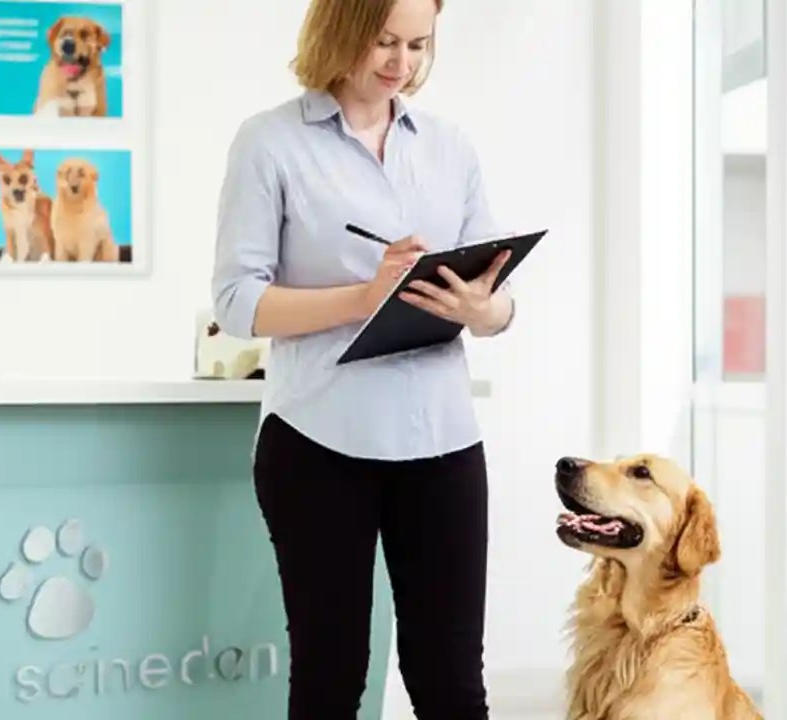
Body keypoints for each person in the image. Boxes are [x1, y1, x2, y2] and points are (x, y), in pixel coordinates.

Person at [210, 0, 515, 718]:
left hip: (443, 441)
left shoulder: (450, 147)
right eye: (383, 41)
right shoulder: (270, 143)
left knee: (450, 681)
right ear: (339, 29)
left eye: (418, 45)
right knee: (331, 673)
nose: (401, 64)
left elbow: (497, 299)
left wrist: (483, 310)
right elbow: (235, 302)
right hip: (320, 443)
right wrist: (366, 295)